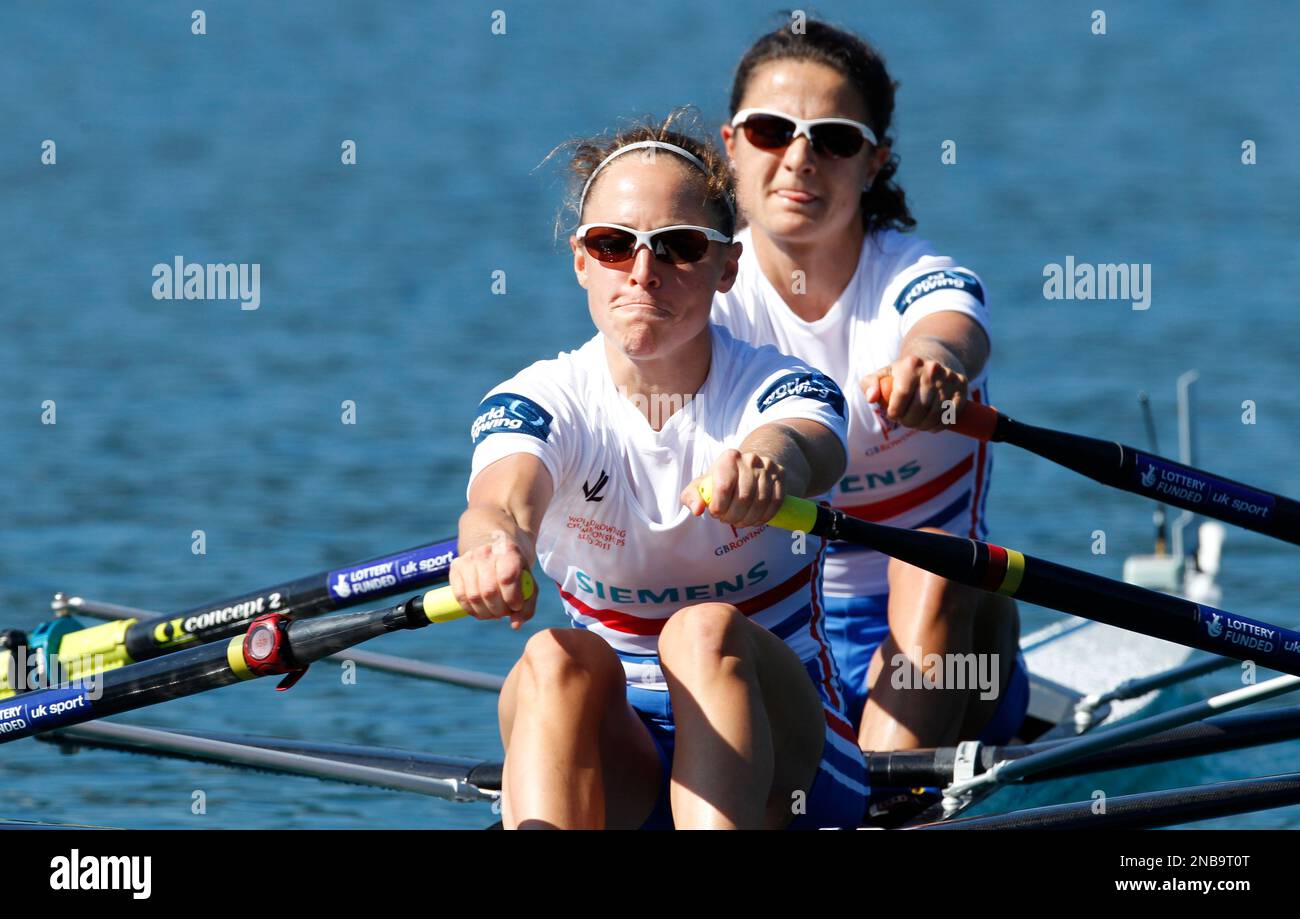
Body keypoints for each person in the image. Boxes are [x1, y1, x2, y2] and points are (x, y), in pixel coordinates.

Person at [450, 116, 867, 829]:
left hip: (793, 762)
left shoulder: (783, 385)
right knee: (552, 657)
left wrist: (766, 466)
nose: (642, 273)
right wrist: (492, 546)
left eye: (678, 247)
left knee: (703, 631)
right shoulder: (539, 402)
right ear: (581, 260)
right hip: (623, 756)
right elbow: (502, 503)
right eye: (613, 245)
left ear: (727, 267)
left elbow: (806, 443)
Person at [714, 19, 1028, 753]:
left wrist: (931, 364)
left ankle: (886, 791)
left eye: (833, 139)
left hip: (951, 648)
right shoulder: (702, 306)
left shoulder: (917, 280)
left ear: (874, 161)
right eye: (770, 131)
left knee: (935, 561)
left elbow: (951, 325)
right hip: (783, 639)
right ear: (731, 147)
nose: (799, 159)